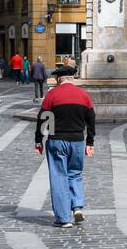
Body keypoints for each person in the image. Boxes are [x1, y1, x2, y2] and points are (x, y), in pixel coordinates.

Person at [35, 65, 95, 228]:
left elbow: (44, 117)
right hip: (77, 141)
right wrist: (89, 142)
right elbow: (91, 119)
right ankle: (77, 207)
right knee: (75, 174)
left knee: (59, 177)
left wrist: (39, 140)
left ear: (58, 79)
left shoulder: (52, 94)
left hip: (57, 140)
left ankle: (63, 219)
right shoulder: (83, 95)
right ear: (72, 78)